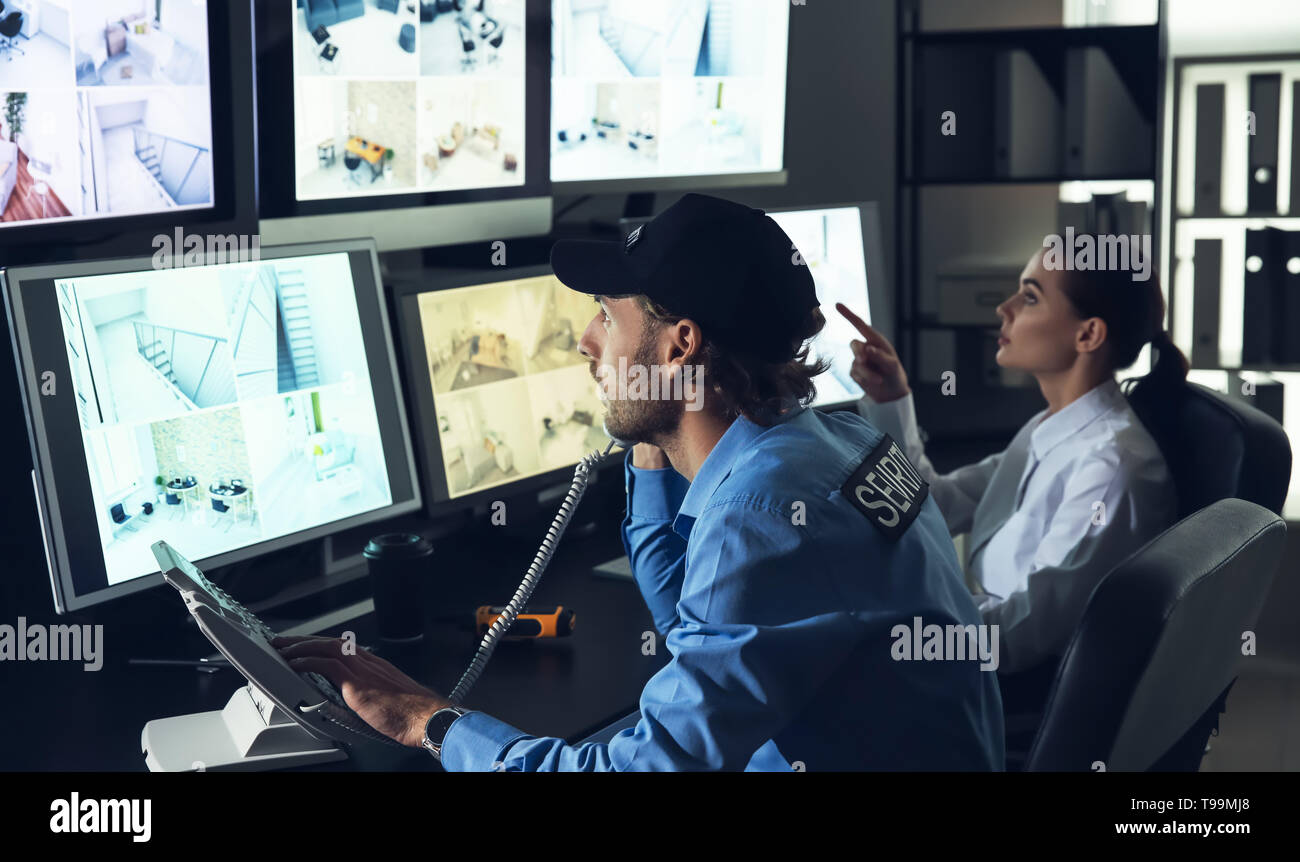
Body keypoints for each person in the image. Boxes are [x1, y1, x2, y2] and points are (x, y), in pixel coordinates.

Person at [276, 193, 1004, 771]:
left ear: (682, 343)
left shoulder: (768, 511)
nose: (588, 343)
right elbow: (696, 618)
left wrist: (426, 721)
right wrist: (655, 432)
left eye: (605, 317)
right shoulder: (832, 443)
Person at [839, 237, 1183, 681]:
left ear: (1088, 334)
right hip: (979, 648)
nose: (1005, 308)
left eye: (1030, 296)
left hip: (1011, 689)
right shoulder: (1051, 426)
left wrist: (888, 638)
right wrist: (892, 400)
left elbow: (1013, 640)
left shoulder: (1112, 469)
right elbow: (938, 504)